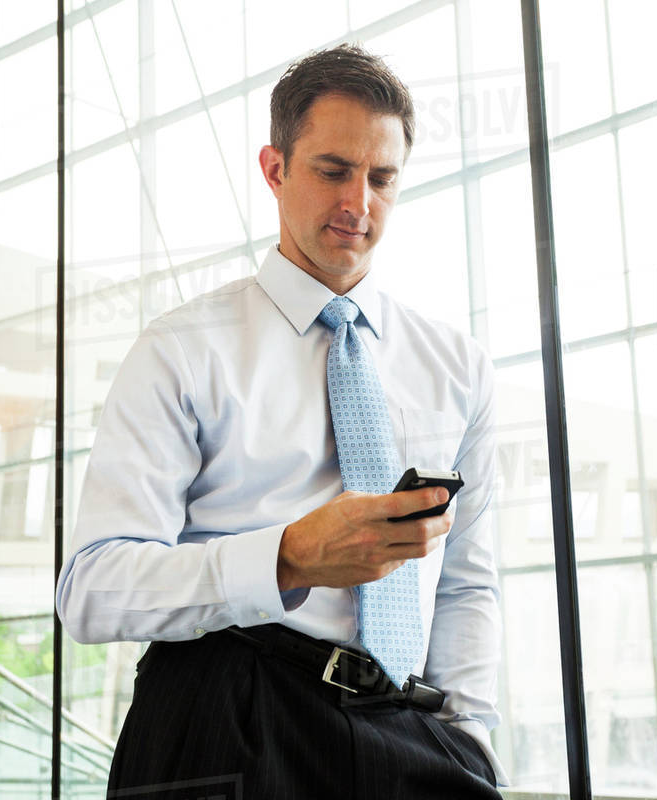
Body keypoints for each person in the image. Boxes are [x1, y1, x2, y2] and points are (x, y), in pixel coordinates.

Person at [55, 42, 506, 799]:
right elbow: (92, 591)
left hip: (404, 727)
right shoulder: (182, 349)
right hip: (221, 712)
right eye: (333, 170)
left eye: (382, 178)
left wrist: (471, 738)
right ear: (275, 169)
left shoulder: (457, 366)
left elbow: (465, 583)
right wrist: (288, 558)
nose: (358, 203)